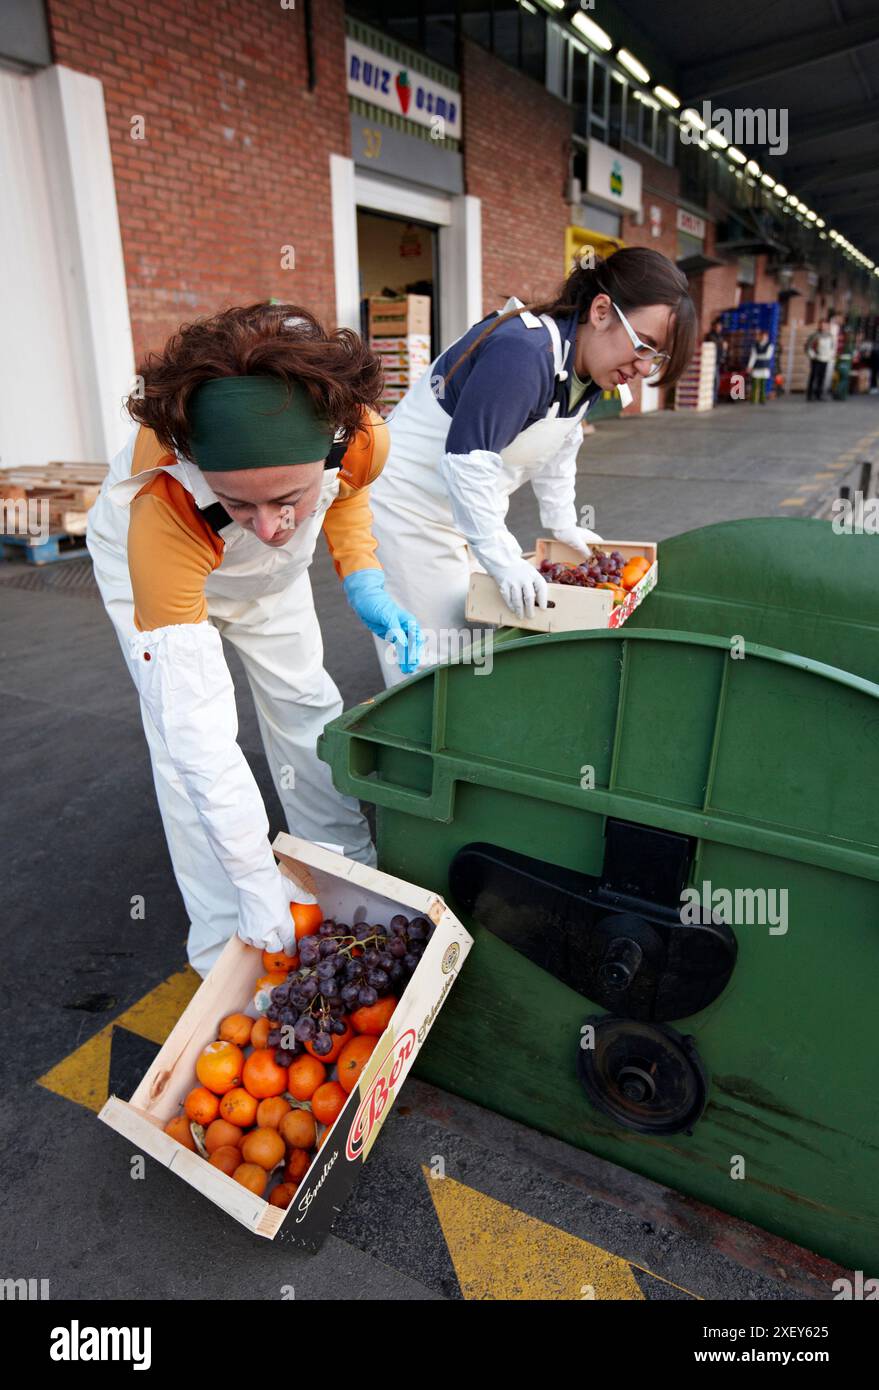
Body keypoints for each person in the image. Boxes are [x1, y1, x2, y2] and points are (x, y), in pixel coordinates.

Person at [86, 303, 422, 977]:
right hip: (161, 570)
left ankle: (342, 871)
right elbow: (197, 732)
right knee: (184, 756)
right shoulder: (163, 506)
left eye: (287, 498)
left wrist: (362, 576)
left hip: (267, 585)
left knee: (306, 701)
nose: (271, 526)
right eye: (242, 503)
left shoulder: (359, 436)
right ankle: (225, 934)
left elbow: (347, 494)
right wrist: (251, 873)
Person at [368, 247, 696, 685]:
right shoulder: (524, 353)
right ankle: (404, 747)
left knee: (471, 647)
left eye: (655, 359)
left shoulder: (588, 367)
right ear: (601, 311)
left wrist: (562, 523)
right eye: (644, 346)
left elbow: (562, 439)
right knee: (433, 661)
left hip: (462, 513)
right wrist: (502, 557)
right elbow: (467, 464)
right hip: (408, 508)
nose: (642, 367)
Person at [806, 320, 836, 401]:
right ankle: (810, 395)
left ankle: (819, 394)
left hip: (825, 359)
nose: (823, 327)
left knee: (822, 377)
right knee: (813, 377)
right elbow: (808, 346)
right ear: (819, 326)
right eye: (822, 325)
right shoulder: (815, 335)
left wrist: (831, 355)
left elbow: (832, 347)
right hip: (816, 359)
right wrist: (813, 356)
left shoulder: (830, 336)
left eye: (825, 325)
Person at [704, 316, 728, 404]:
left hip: (717, 361)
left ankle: (714, 399)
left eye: (720, 326)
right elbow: (713, 343)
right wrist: (722, 345)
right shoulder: (711, 335)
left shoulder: (720, 336)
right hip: (711, 362)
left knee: (716, 381)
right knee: (714, 381)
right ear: (714, 326)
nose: (719, 328)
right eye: (718, 326)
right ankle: (713, 399)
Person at [747, 330, 774, 404]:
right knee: (755, 384)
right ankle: (754, 399)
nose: (763, 338)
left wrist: (758, 356)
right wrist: (749, 366)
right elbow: (753, 356)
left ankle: (762, 399)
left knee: (763, 384)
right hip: (756, 367)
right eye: (762, 336)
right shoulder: (755, 345)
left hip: (764, 367)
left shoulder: (770, 345)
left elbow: (767, 356)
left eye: (765, 336)